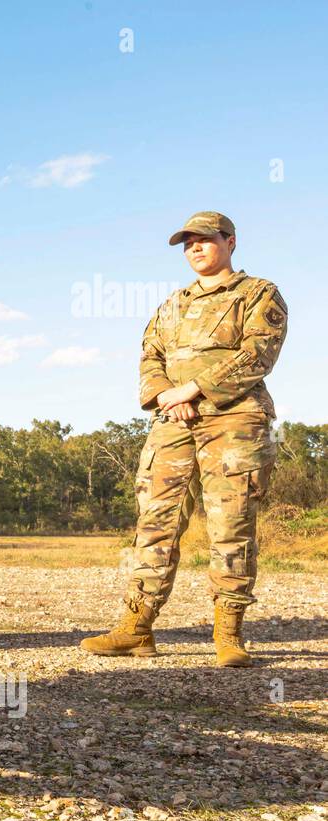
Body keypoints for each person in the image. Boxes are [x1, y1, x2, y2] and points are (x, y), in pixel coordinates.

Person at [81, 211, 287, 667]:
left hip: (234, 421)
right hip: (172, 421)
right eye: (187, 243)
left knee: (231, 525)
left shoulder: (258, 294)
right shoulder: (173, 304)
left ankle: (229, 633)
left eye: (205, 240)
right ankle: (137, 627)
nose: (195, 248)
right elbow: (149, 354)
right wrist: (165, 396)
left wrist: (194, 389)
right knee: (155, 522)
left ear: (230, 242)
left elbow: (259, 353)